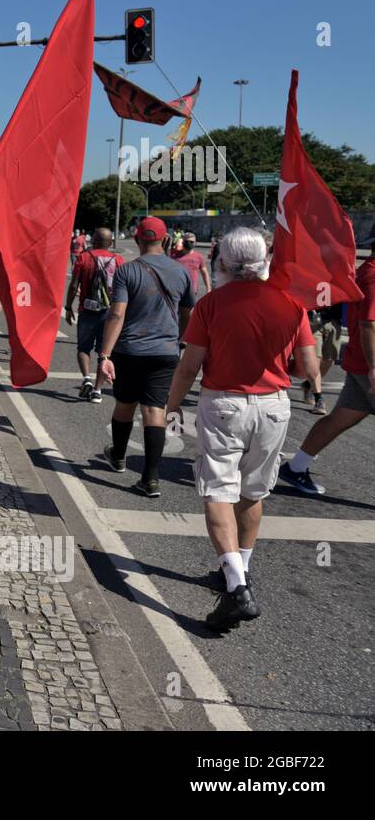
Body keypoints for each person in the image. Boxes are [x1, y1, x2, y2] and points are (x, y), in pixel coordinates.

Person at [163, 228, 317, 631]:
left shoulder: (212, 304)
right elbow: (309, 371)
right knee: (253, 492)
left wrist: (173, 405)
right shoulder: (291, 303)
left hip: (224, 405)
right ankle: (240, 571)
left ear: (224, 263)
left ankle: (235, 587)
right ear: (264, 260)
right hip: (274, 408)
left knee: (217, 491)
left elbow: (189, 365)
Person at [98, 217, 195, 498]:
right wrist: (179, 339)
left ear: (138, 240)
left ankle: (117, 456)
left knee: (125, 404)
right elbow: (188, 313)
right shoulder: (182, 272)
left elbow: (117, 314)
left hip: (129, 350)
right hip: (165, 352)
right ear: (165, 240)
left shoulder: (127, 271)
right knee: (154, 411)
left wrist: (105, 353)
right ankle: (150, 479)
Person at [278, 235, 375, 495]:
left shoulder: (366, 271)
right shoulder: (374, 275)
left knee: (341, 417)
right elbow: (369, 324)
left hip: (360, 363)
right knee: (339, 417)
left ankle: (297, 467)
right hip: (369, 366)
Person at [64, 227, 123, 403]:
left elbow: (74, 285)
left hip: (87, 311)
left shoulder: (83, 257)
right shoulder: (118, 260)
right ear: (110, 243)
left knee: (83, 348)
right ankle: (97, 391)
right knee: (104, 353)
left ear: (92, 241)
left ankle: (86, 379)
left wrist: (68, 308)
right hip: (109, 312)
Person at [301, 302, 342, 414]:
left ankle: (308, 385)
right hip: (313, 318)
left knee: (330, 360)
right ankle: (319, 399)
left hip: (334, 320)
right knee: (315, 360)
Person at [171, 231, 212, 298]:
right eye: (186, 241)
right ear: (183, 242)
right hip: (176, 290)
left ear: (195, 243)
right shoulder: (174, 255)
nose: (189, 243)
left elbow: (205, 273)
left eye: (191, 242)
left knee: (191, 308)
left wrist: (208, 289)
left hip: (191, 291)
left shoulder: (199, 257)